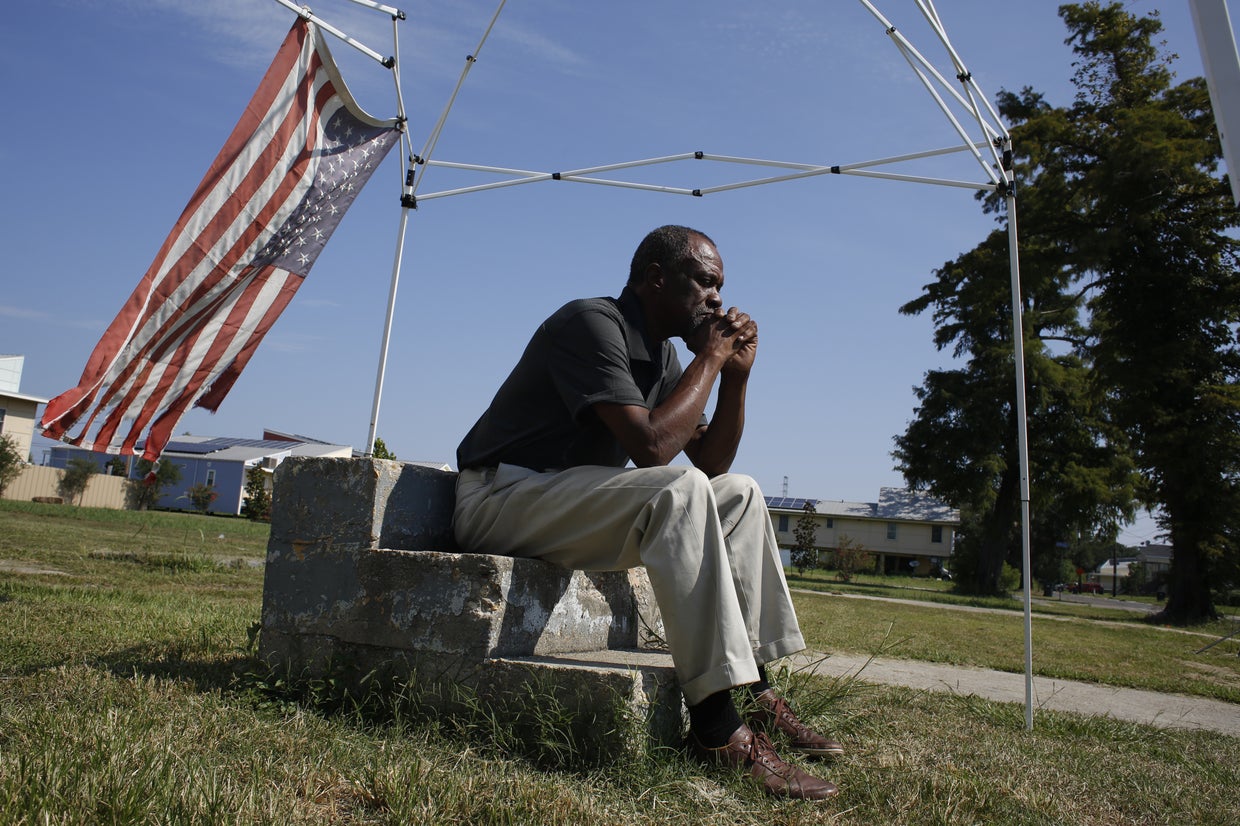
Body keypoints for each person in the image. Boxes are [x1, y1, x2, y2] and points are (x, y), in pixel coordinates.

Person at [453, 225, 841, 801]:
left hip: (567, 499)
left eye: (721, 287)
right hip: (499, 496)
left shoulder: (659, 355)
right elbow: (653, 449)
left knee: (740, 492)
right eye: (706, 283)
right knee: (678, 486)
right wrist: (709, 357)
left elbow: (708, 464)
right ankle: (715, 728)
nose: (717, 299)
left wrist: (734, 380)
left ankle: (755, 692)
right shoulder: (591, 324)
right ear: (656, 279)